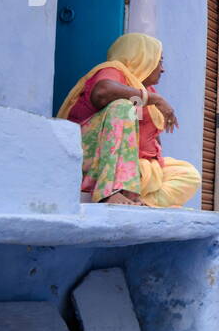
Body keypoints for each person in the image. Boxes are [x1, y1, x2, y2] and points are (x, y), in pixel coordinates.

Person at [56, 32, 200, 208]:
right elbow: (102, 93)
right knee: (122, 107)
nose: (162, 69)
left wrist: (152, 161)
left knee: (188, 174)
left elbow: (135, 128)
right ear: (141, 57)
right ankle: (111, 191)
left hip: (130, 167)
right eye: (159, 60)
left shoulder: (140, 89)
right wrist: (156, 100)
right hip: (93, 160)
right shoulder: (113, 70)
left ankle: (143, 202)